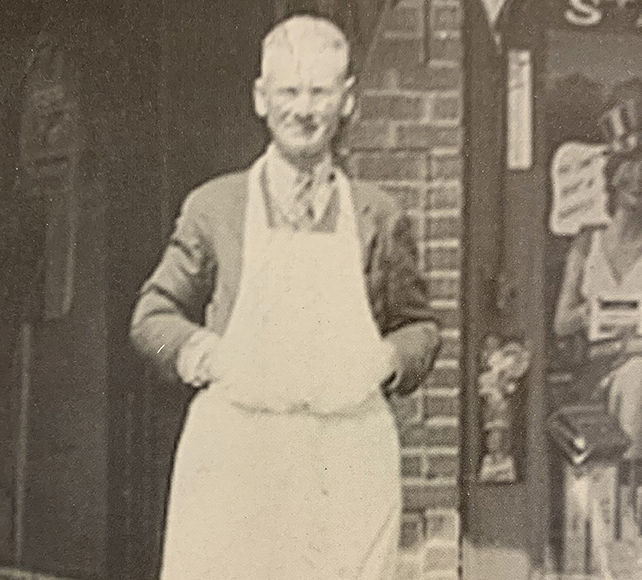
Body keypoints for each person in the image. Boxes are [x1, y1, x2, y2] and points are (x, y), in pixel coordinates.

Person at [130, 15, 439, 580]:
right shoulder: (215, 208)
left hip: (347, 454)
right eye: (289, 91)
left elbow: (419, 326)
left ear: (346, 101)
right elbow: (152, 314)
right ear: (260, 98)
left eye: (320, 92)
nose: (303, 109)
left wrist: (390, 358)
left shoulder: (377, 216)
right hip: (241, 454)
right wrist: (205, 352)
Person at [554, 143, 642, 540]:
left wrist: (640, 318)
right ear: (611, 182)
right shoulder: (586, 243)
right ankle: (633, 508)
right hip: (595, 367)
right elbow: (560, 322)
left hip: (638, 358)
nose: (638, 183)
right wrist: (591, 314)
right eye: (629, 175)